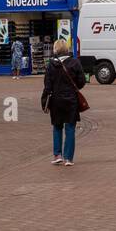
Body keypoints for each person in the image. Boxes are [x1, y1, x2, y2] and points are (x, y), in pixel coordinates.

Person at [41, 38, 86, 166]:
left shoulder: (51, 65)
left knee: (57, 127)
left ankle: (57, 155)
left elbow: (47, 85)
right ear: (66, 49)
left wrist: (45, 100)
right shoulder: (75, 62)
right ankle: (68, 158)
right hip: (71, 99)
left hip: (56, 100)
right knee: (70, 127)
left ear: (56, 49)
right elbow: (82, 81)